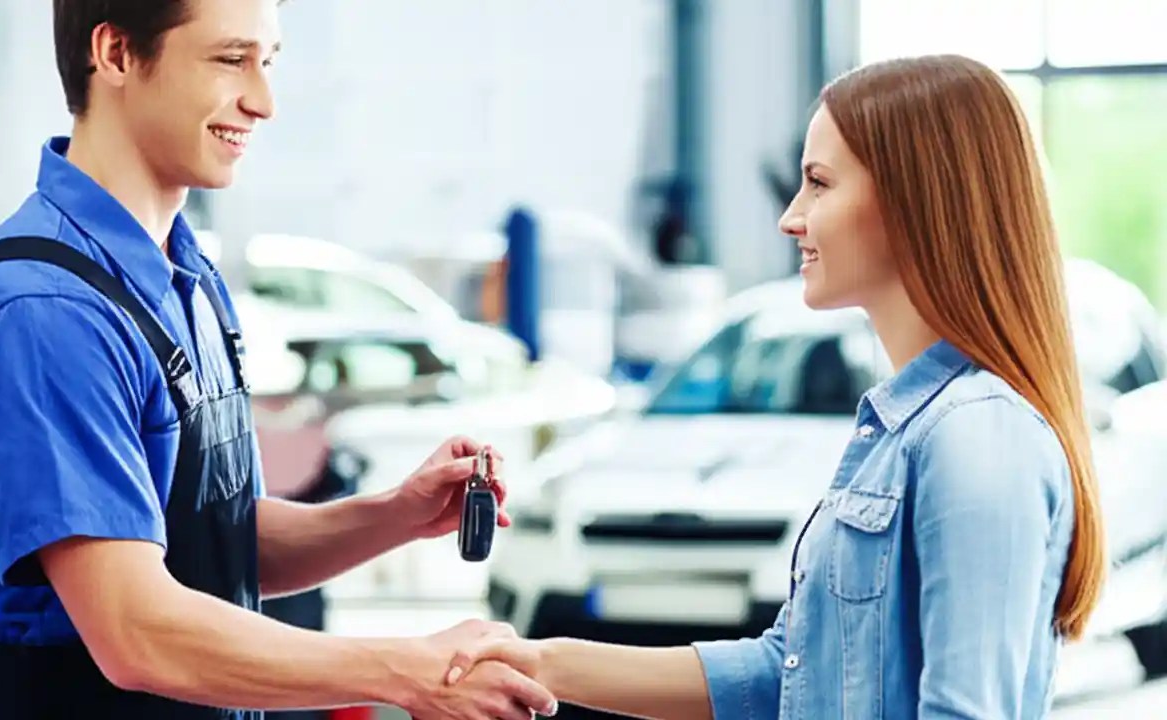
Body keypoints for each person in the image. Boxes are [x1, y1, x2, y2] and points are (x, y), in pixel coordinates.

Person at [0, 1, 557, 718]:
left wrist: (393, 516)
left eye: (270, 61)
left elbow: (213, 537)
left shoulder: (185, 277)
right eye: (231, 60)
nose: (263, 102)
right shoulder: (43, 312)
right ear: (116, 55)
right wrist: (405, 671)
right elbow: (137, 631)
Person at [442, 54, 1107, 719]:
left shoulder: (975, 433)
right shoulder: (904, 427)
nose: (791, 218)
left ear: (915, 201)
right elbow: (782, 670)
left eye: (819, 184)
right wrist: (543, 663)